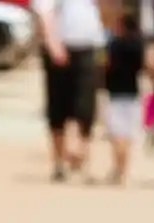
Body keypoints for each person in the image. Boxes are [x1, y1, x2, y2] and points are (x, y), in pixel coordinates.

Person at [33, 0, 108, 181]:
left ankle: (83, 158)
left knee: (86, 104)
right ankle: (59, 162)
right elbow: (45, 11)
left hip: (88, 47)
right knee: (58, 105)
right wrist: (53, 43)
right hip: (61, 47)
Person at [104, 12, 151, 183]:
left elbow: (106, 65)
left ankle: (118, 167)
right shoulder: (138, 45)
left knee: (117, 134)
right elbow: (145, 66)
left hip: (115, 93)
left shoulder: (114, 44)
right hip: (132, 93)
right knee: (128, 134)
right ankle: (124, 169)